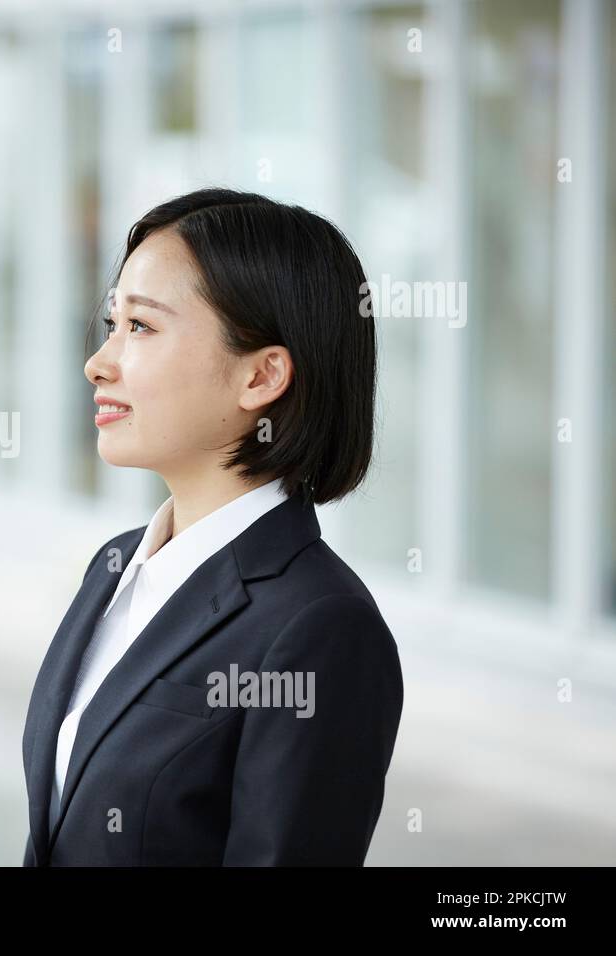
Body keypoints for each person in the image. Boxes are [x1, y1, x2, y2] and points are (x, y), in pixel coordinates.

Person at [21, 188, 404, 866]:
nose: (99, 362)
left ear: (261, 375)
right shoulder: (115, 566)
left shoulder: (321, 628)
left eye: (141, 327)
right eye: (112, 322)